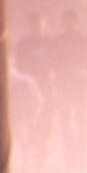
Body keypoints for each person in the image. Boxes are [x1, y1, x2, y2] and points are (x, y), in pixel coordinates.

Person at [51, 9, 87, 169]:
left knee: (81, 121)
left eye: (70, 21)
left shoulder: (84, 41)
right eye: (65, 21)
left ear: (76, 22)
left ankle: (82, 156)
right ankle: (69, 157)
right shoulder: (57, 41)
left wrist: (86, 75)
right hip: (63, 85)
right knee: (65, 121)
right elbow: (52, 61)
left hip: (80, 85)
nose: (67, 24)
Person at [14, 12, 53, 164]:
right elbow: (19, 65)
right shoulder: (23, 43)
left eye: (40, 24)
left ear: (44, 25)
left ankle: (42, 145)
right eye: (34, 25)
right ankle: (33, 149)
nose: (37, 27)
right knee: (29, 118)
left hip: (46, 83)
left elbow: (56, 61)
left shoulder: (50, 42)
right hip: (28, 86)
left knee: (45, 117)